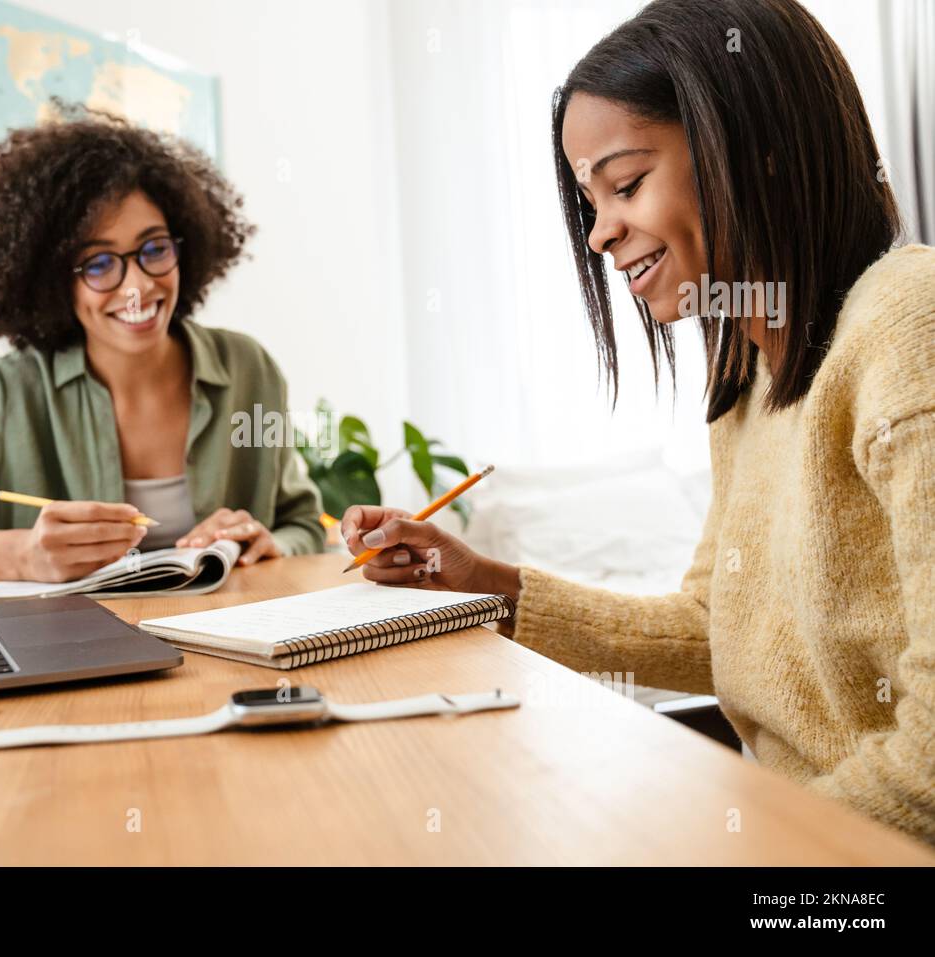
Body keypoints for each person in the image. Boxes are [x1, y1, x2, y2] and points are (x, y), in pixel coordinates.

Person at [342, 0, 935, 842]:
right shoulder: (751, 375)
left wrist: (729, 844)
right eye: (590, 200)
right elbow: (718, 628)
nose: (599, 234)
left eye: (625, 185)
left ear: (757, 148)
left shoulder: (909, 326)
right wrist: (484, 582)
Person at [0, 108, 323, 585]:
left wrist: (268, 543)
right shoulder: (16, 392)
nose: (136, 287)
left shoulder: (248, 370)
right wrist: (18, 555)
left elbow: (303, 524)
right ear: (53, 283)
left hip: (231, 650)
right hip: (79, 653)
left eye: (153, 250)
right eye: (98, 264)